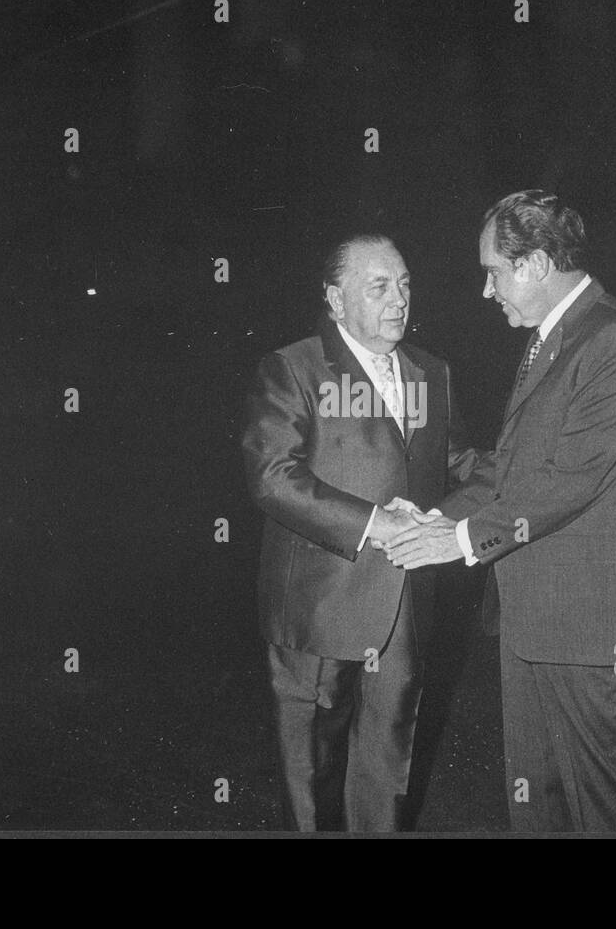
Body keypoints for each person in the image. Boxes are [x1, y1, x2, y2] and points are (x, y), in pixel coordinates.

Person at [385, 191, 616, 831]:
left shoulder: (615, 340)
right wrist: (436, 519)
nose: (487, 291)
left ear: (536, 263)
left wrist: (458, 540)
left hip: (587, 626)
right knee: (540, 805)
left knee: (608, 806)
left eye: (494, 271)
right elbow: (512, 471)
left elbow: (569, 481)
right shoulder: (555, 337)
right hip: (536, 617)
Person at [240, 234, 477, 831]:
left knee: (386, 768)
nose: (398, 299)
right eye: (379, 286)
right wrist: (376, 523)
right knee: (310, 775)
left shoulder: (432, 373)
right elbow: (273, 478)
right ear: (335, 300)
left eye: (403, 285)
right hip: (318, 606)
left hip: (404, 605)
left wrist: (533, 477)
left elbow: (461, 465)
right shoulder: (291, 368)